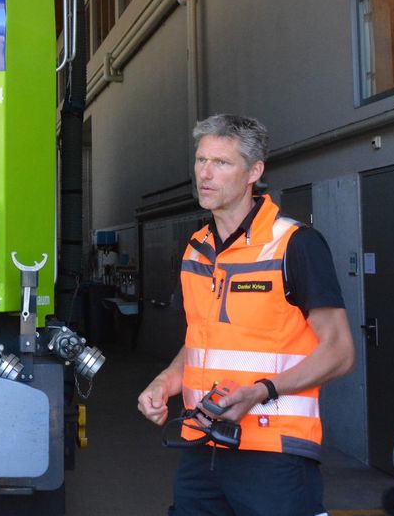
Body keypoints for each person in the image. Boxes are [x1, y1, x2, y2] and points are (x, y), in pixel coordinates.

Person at [137, 114, 355, 516]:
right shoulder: (196, 248)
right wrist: (165, 381)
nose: (205, 174)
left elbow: (340, 352)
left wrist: (260, 391)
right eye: (201, 160)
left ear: (254, 172)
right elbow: (201, 341)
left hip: (274, 453)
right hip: (202, 445)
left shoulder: (294, 245)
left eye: (221, 163)